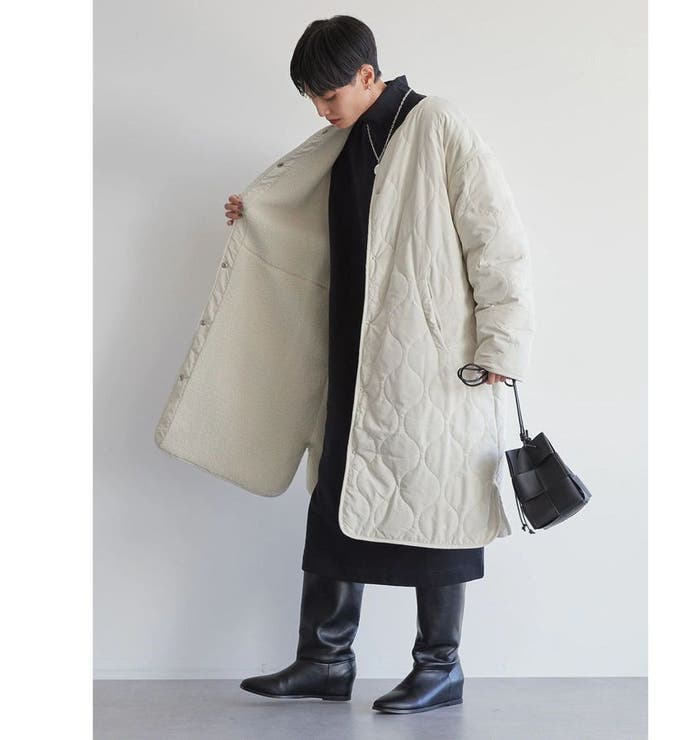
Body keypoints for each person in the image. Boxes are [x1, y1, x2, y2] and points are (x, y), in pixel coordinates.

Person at [228, 16, 522, 715]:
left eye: (329, 94)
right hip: (351, 350)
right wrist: (259, 214)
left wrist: (502, 345)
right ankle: (324, 660)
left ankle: (440, 667)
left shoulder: (437, 124)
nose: (320, 110)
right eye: (312, 98)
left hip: (432, 359)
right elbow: (323, 225)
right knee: (335, 500)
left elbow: (496, 238)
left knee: (438, 505)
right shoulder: (342, 140)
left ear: (368, 74)